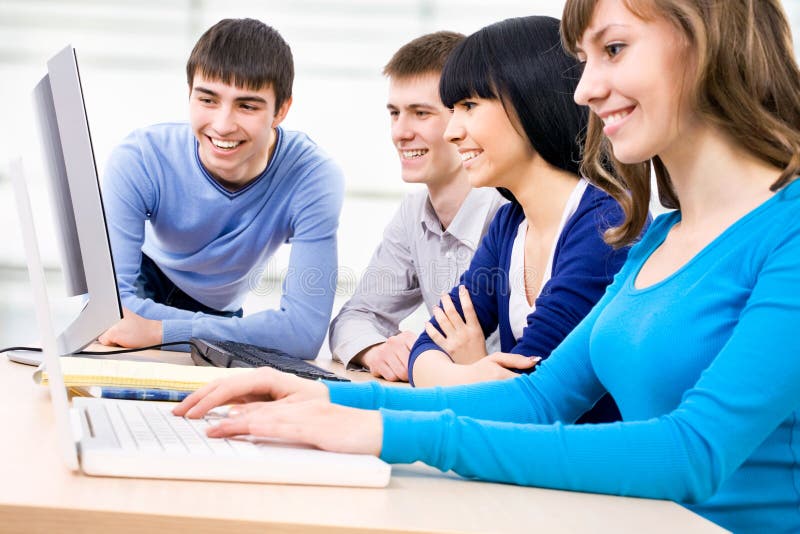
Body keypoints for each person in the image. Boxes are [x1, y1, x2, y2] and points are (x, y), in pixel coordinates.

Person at [175, 2, 800, 532]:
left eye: (613, 49)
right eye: (584, 62)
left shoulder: (788, 235)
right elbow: (539, 396)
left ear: (710, 39)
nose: (583, 90)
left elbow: (691, 452)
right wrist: (324, 399)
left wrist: (382, 434)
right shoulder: (659, 235)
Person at [407, 17, 635, 408]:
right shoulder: (509, 224)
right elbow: (426, 348)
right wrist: (471, 375)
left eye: (469, 106)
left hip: (585, 465)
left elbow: (527, 394)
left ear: (533, 99)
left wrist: (471, 369)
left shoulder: (604, 221)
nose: (451, 131)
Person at [97, 19, 345, 358]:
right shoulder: (140, 157)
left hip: (217, 312)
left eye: (247, 106)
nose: (223, 125)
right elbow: (105, 312)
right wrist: (239, 335)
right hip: (145, 281)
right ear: (189, 95)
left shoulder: (313, 177)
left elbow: (302, 334)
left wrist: (160, 330)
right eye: (208, 100)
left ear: (281, 110)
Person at [328, 32, 505, 381]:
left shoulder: (508, 212)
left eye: (420, 113)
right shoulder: (413, 215)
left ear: (464, 116)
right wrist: (377, 350)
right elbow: (355, 317)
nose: (400, 132)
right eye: (395, 113)